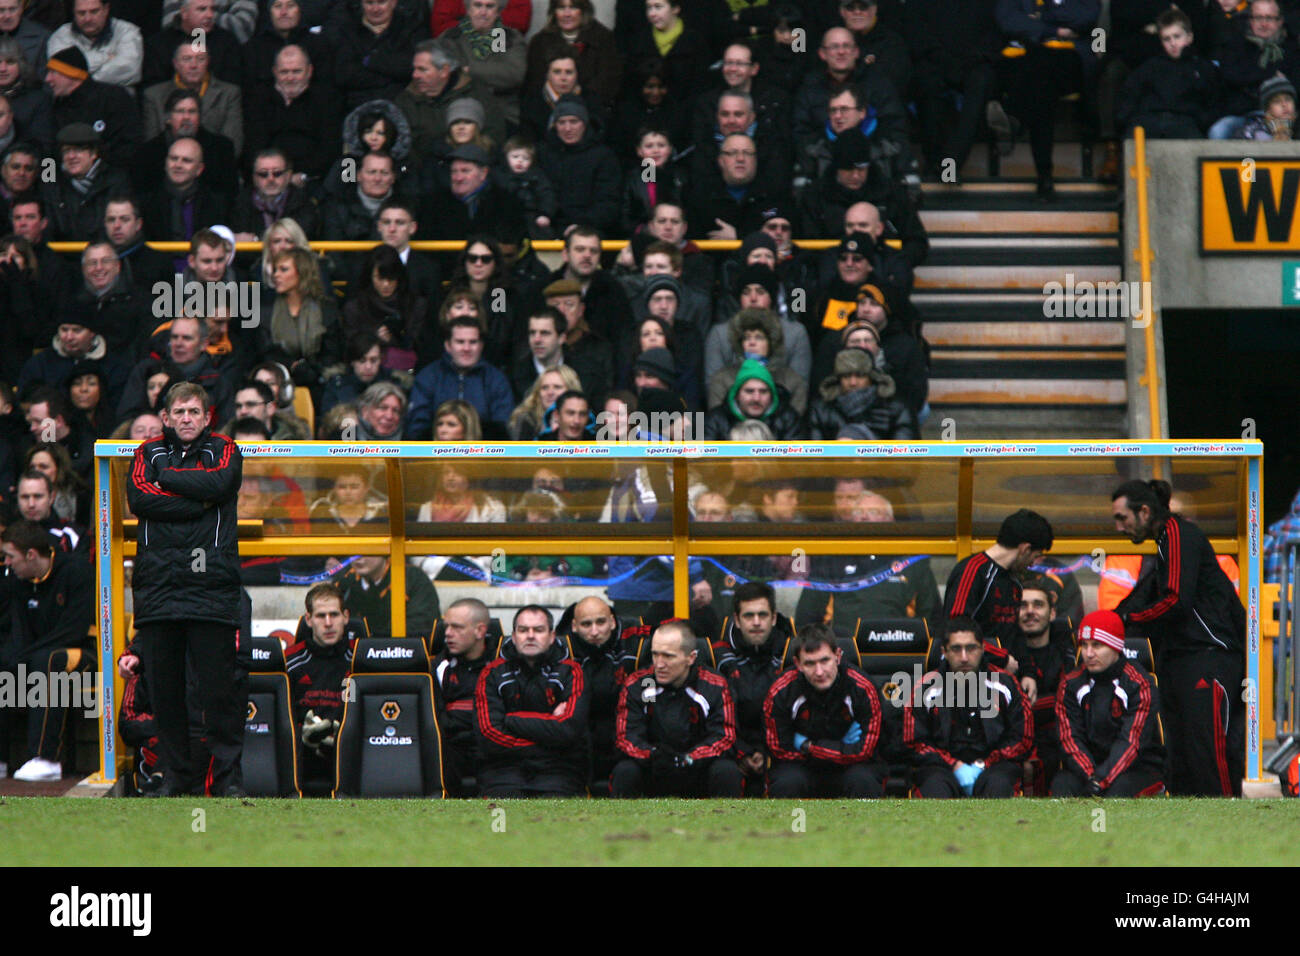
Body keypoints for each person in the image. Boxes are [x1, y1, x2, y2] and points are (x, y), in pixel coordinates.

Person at [125, 382, 244, 797]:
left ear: (207, 416)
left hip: (212, 588)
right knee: (166, 693)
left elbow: (220, 484)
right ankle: (175, 780)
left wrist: (171, 481)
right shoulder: (146, 454)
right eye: (179, 412)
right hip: (158, 590)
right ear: (166, 418)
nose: (187, 419)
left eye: (194, 412)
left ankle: (228, 780)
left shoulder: (226, 448)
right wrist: (200, 500)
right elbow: (141, 500)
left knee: (219, 693)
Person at [1110, 478, 1246, 796]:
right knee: (1183, 749)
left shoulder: (1177, 534)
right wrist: (1115, 619)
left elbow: (1175, 601)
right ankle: (1188, 823)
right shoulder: (1165, 543)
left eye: (1122, 518)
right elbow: (1147, 594)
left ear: (1144, 511)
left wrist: (1128, 621)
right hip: (1184, 659)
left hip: (1208, 657)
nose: (1119, 528)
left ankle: (1224, 817)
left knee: (1207, 748)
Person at [0, 519, 94, 781]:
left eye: (10, 557)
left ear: (30, 555)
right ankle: (2, 760)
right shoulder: (18, 580)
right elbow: (20, 632)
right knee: (6, 661)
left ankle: (45, 758)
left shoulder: (76, 571)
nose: (6, 563)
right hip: (39, 653)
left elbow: (74, 630)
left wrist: (26, 657)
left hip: (83, 651)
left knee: (49, 659)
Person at [903, 617, 1034, 798]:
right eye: (956, 649)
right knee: (934, 789)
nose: (964, 657)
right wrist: (954, 765)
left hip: (994, 765)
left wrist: (984, 764)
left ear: (981, 649)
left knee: (998, 786)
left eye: (971, 648)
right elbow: (913, 741)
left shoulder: (1006, 684)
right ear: (945, 652)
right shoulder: (925, 687)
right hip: (941, 767)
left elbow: (1022, 738)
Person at [612, 618, 743, 797]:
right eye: (655, 654)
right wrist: (653, 756)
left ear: (691, 658)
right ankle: (623, 825)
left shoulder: (713, 685)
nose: (659, 664)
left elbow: (724, 737)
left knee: (727, 771)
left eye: (668, 656)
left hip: (698, 768)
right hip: (653, 767)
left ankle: (726, 823)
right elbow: (626, 738)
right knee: (625, 771)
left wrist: (689, 759)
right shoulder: (642, 683)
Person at [474, 605, 590, 797]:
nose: (530, 636)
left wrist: (511, 720)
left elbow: (569, 729)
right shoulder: (492, 673)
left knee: (558, 821)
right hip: (503, 771)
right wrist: (549, 730)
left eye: (538, 630)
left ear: (552, 636)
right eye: (523, 630)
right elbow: (488, 735)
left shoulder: (572, 672)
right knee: (498, 824)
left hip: (559, 771)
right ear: (513, 635)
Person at [764, 624, 887, 797]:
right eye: (810, 663)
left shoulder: (863, 688)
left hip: (852, 766)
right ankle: (789, 825)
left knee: (863, 780)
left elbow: (865, 750)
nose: (819, 672)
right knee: (787, 782)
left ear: (837, 656)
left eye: (825, 660)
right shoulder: (781, 691)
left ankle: (865, 826)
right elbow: (779, 749)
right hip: (801, 767)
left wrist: (809, 747)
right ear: (798, 664)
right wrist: (841, 748)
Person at [1053, 610, 1166, 797]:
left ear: (1115, 647)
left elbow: (1132, 741)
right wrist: (1091, 776)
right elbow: (1069, 738)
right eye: (1084, 645)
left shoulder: (1139, 683)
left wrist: (1101, 779)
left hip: (1136, 767)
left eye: (1097, 646)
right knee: (1063, 786)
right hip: (1087, 768)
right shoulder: (1071, 683)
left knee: (1117, 792)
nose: (1088, 654)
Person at [712, 581, 794, 792]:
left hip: (782, 752)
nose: (756, 622)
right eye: (749, 616)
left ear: (774, 618)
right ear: (737, 620)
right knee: (722, 772)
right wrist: (743, 753)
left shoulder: (793, 656)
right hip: (733, 752)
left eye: (763, 615)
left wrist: (767, 754)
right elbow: (717, 718)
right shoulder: (718, 658)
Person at [285, 583, 361, 794]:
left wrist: (342, 734)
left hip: (349, 751)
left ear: (346, 616)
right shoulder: (289, 662)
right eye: (320, 616)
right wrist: (304, 733)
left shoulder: (361, 660)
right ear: (308, 620)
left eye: (334, 615)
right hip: (302, 754)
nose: (328, 623)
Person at [943, 508, 1054, 652]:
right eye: (1035, 556)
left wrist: (1029, 671)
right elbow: (956, 629)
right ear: (1025, 549)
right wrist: (1001, 658)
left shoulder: (1014, 582)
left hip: (1005, 670)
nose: (1032, 564)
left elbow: (1014, 637)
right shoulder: (973, 570)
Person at [1006, 577, 1076, 789]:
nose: (1030, 611)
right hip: (1008, 740)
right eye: (1023, 606)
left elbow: (1068, 703)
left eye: (1038, 605)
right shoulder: (1004, 656)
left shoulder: (1066, 655)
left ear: (1052, 613)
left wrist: (1023, 707)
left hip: (1055, 740)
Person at [562, 596, 634, 794]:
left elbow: (649, 681)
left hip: (626, 727)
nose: (594, 631)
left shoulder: (634, 645)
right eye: (586, 624)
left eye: (601, 622)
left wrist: (647, 702)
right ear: (574, 626)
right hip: (581, 733)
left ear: (612, 622)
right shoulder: (562, 651)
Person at [406, 314, 514, 438]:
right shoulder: (427, 377)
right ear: (448, 346)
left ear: (481, 345)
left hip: (483, 453)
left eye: (473, 342)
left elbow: (503, 428)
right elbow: (417, 428)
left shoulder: (496, 380)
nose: (466, 348)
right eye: (460, 342)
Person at [432, 596, 491, 794]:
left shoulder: (499, 666)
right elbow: (436, 718)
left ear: (480, 631)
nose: (448, 634)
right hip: (450, 749)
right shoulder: (439, 667)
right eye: (446, 627)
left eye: (457, 627)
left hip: (490, 747)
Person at [337, 554, 440, 640]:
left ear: (385, 550)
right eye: (353, 549)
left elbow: (422, 626)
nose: (358, 557)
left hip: (402, 653)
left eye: (367, 549)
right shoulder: (345, 582)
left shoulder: (414, 579)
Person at [46, 0, 142, 88]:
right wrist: (106, 57)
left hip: (117, 101)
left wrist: (82, 81)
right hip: (75, 101)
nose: (88, 19)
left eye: (94, 11)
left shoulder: (127, 31)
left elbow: (129, 70)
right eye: (81, 13)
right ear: (73, 12)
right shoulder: (61, 35)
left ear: (106, 9)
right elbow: (62, 69)